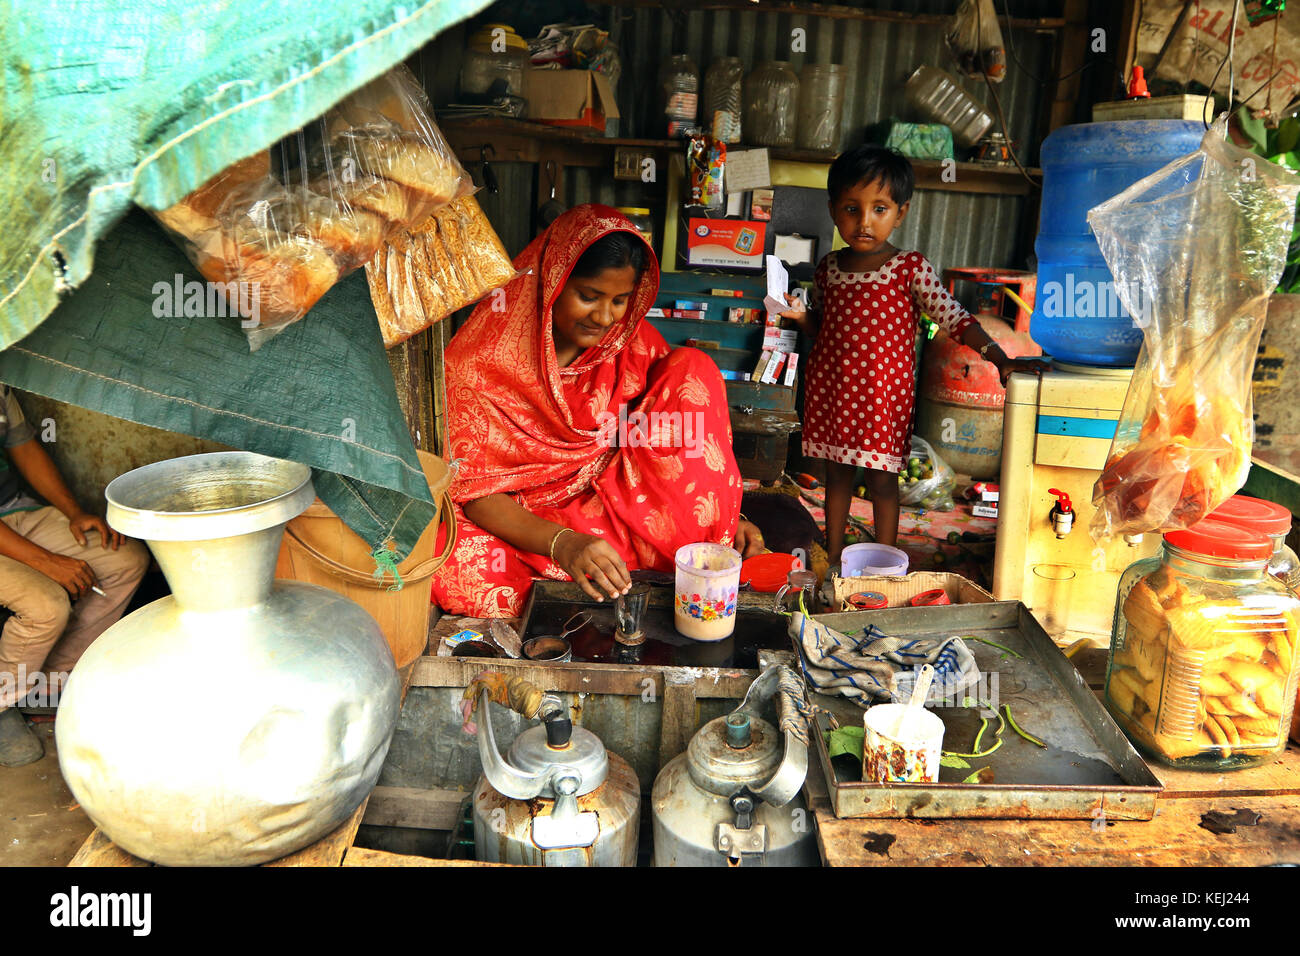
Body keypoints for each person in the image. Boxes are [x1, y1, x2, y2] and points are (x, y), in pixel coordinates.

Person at [431, 204, 764, 618]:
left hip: (626, 511)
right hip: (535, 523)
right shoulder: (479, 364)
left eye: (620, 300)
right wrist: (564, 543)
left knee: (694, 370)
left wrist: (728, 517)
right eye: (588, 296)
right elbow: (478, 496)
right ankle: (639, 568)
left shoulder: (628, 341)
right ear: (551, 283)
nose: (605, 317)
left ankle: (686, 549)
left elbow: (677, 452)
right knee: (449, 555)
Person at [780, 145, 1048, 568]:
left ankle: (884, 563)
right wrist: (799, 316)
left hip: (881, 400)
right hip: (832, 393)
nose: (864, 221)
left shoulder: (909, 269)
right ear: (833, 209)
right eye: (851, 208)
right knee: (837, 476)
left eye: (879, 209)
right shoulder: (827, 268)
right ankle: (834, 557)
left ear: (900, 213)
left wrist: (999, 357)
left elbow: (954, 318)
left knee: (884, 481)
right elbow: (823, 327)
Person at [0, 386, 149, 766]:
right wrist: (46, 562)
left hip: (12, 513)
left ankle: (48, 684)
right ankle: (2, 704)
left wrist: (73, 512)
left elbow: (23, 446)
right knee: (45, 604)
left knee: (124, 562)